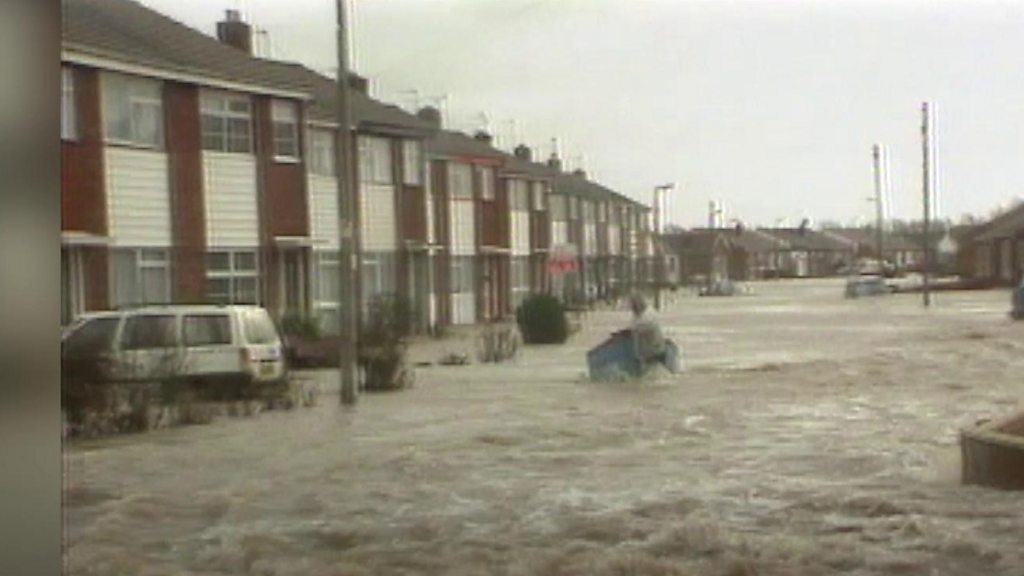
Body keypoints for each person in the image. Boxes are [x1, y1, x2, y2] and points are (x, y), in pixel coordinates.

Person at [628, 293, 667, 366]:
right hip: (657, 350)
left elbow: (638, 333)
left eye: (633, 304)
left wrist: (638, 356)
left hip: (652, 352)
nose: (632, 307)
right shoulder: (650, 312)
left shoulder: (646, 317)